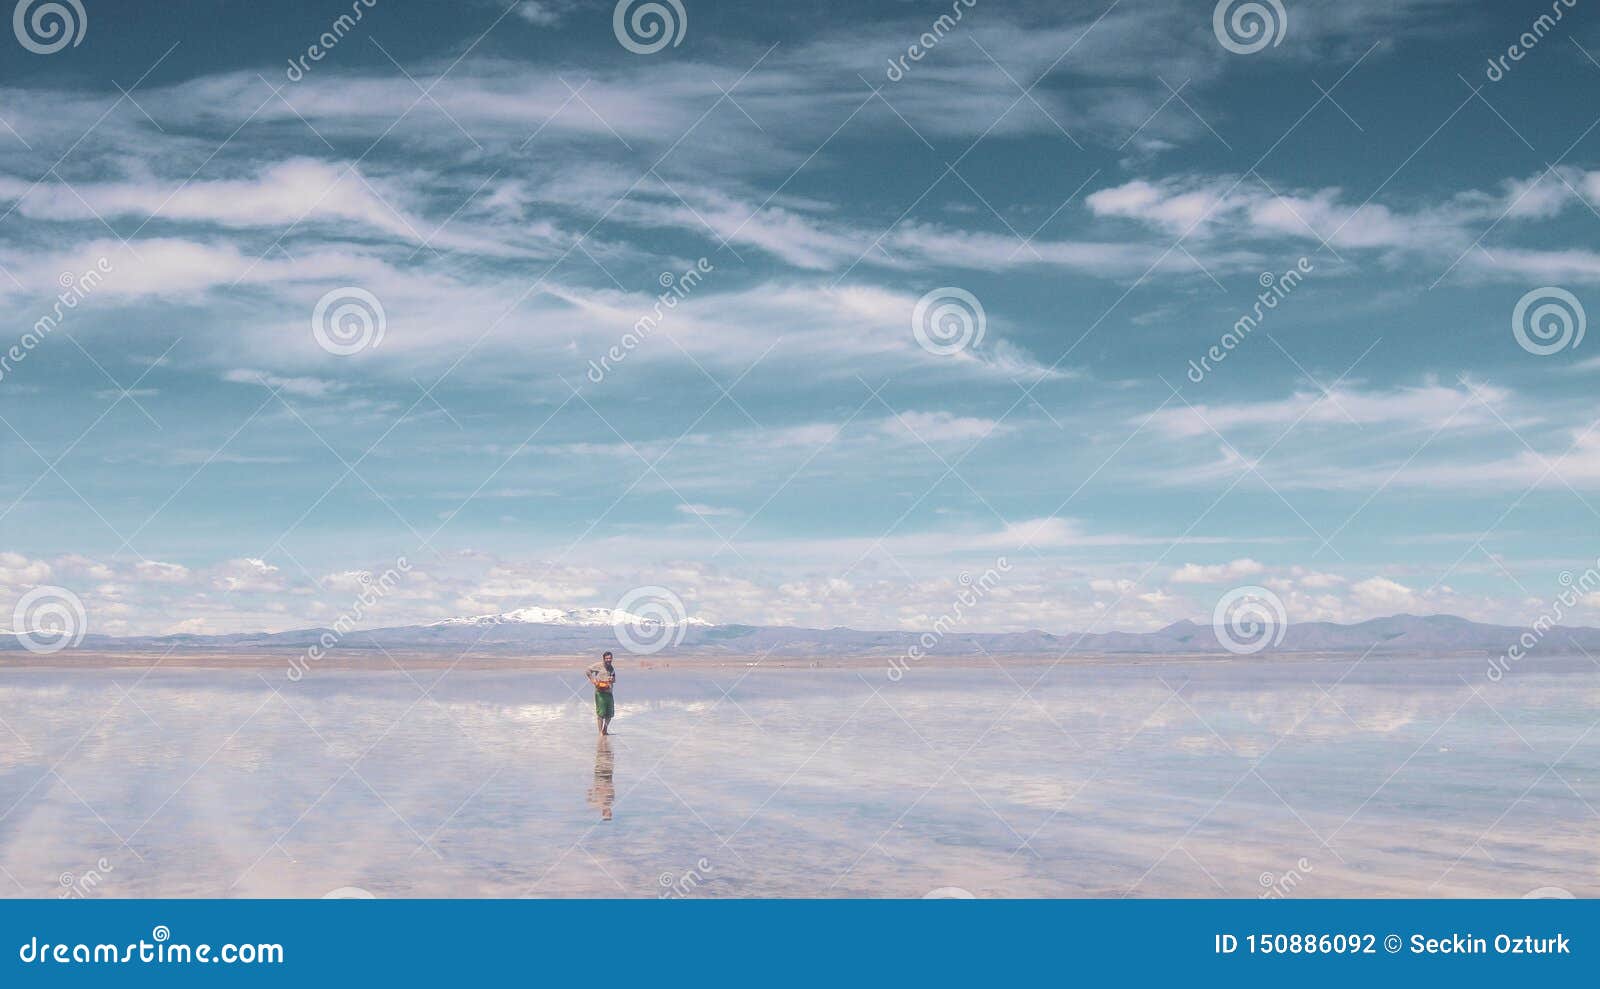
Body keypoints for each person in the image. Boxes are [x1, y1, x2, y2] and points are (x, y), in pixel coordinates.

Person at [586, 651, 617, 735]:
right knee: (601, 714)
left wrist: (612, 680)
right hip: (600, 693)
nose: (608, 660)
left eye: (610, 658)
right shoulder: (598, 666)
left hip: (609, 692)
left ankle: (605, 730)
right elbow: (588, 670)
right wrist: (593, 680)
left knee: (609, 714)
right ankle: (600, 732)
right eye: (607, 658)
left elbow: (614, 679)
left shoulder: (611, 668)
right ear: (603, 659)